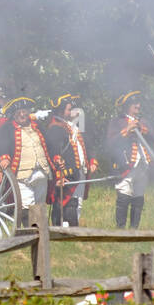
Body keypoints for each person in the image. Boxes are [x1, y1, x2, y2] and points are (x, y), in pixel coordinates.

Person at [0, 97, 54, 221]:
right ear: (14, 115)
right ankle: (30, 233)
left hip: (42, 172)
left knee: (39, 205)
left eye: (24, 111)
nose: (22, 114)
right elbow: (2, 144)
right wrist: (4, 157)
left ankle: (40, 234)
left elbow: (49, 144)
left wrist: (56, 158)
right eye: (19, 112)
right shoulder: (8, 128)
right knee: (27, 206)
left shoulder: (38, 127)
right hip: (22, 175)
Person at [44, 93, 95, 226]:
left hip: (78, 171)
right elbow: (54, 151)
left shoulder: (71, 126)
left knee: (77, 203)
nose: (72, 111)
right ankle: (65, 230)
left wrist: (91, 160)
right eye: (69, 109)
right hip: (67, 173)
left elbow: (86, 144)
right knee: (66, 204)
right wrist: (59, 174)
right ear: (61, 111)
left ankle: (73, 229)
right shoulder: (55, 128)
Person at [105, 91, 151, 228]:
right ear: (127, 106)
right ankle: (121, 230)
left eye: (138, 103)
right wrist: (127, 130)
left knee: (138, 197)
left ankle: (134, 229)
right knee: (124, 197)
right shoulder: (117, 122)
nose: (138, 105)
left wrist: (141, 129)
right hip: (125, 165)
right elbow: (110, 143)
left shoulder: (142, 122)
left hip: (142, 165)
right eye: (134, 103)